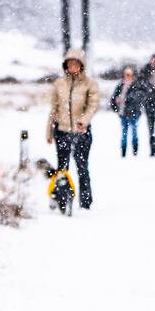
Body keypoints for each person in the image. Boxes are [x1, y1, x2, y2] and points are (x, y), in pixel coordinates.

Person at [45, 48, 100, 210]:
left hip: (81, 132)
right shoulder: (59, 84)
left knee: (82, 166)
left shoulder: (90, 84)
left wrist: (83, 121)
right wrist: (49, 131)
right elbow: (53, 109)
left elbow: (93, 106)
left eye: (75, 63)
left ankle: (85, 202)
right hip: (61, 131)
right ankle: (61, 197)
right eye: (69, 63)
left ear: (82, 65)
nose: (72, 66)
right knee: (62, 168)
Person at [109, 66, 147, 157]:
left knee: (134, 132)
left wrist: (126, 99)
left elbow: (139, 97)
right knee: (124, 134)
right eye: (126, 74)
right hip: (123, 113)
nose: (127, 76)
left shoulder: (137, 85)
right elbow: (114, 97)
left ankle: (135, 151)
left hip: (134, 113)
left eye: (129, 74)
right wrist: (115, 106)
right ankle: (123, 152)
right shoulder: (120, 85)